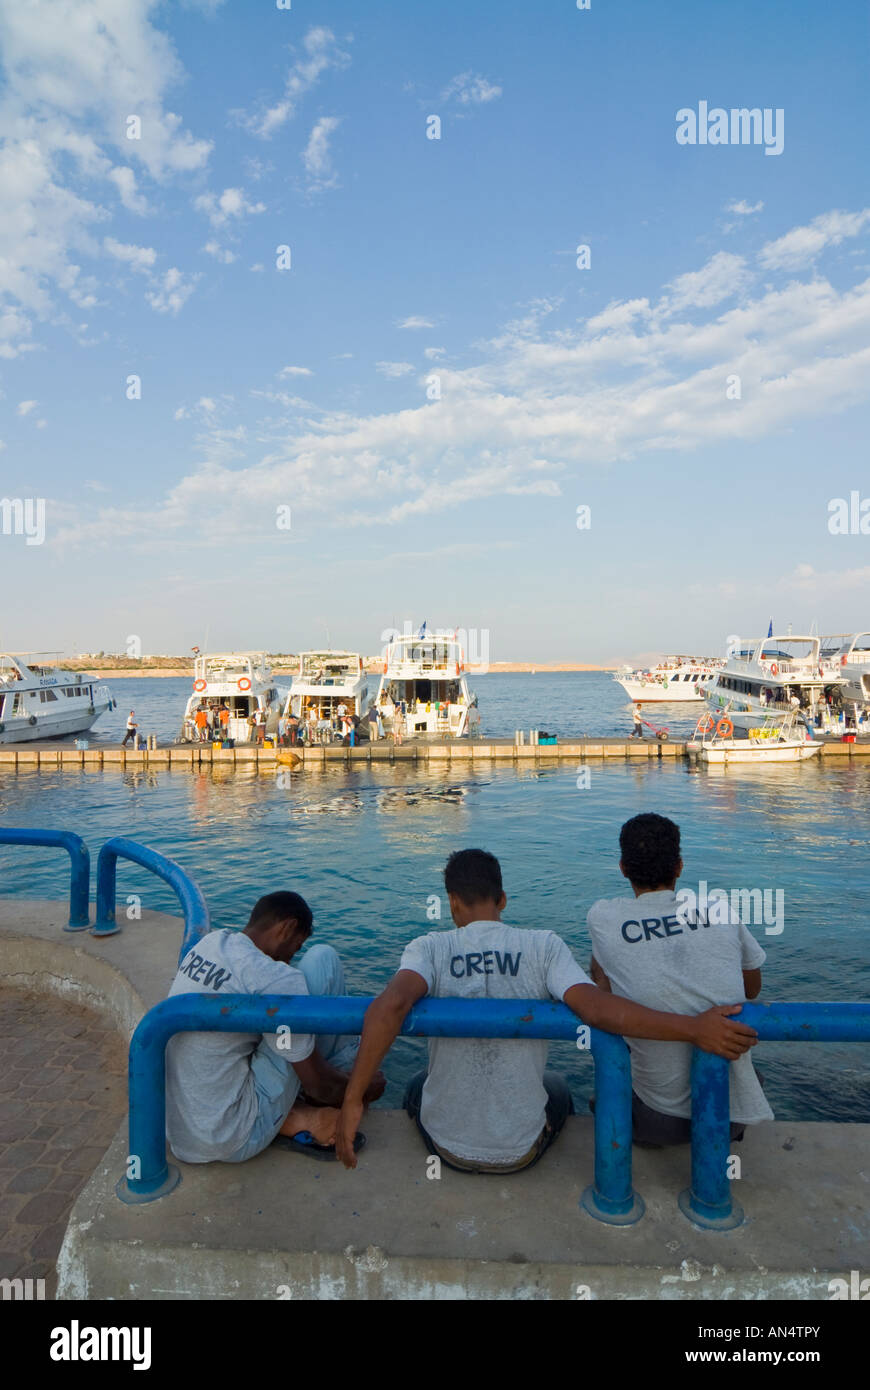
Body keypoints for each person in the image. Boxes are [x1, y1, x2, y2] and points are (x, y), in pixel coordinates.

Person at [335, 848, 757, 1173]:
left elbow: (390, 1005)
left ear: (452, 903)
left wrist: (352, 1099)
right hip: (522, 1153)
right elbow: (596, 1008)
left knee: (416, 1085)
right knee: (556, 1087)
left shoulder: (429, 947)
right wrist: (692, 1028)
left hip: (445, 1151)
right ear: (503, 899)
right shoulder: (544, 945)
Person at [586, 813, 772, 1146]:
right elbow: (752, 988)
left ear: (623, 868)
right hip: (731, 1113)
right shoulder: (720, 909)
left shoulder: (602, 917)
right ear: (680, 866)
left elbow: (602, 984)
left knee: (600, 1098)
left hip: (657, 1122)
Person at [165, 891, 385, 1164]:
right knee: (323, 960)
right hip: (234, 1137)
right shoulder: (275, 977)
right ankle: (322, 1102)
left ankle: (305, 1101)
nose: (291, 959)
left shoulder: (210, 943)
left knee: (285, 1025)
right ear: (287, 928)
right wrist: (360, 1088)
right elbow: (317, 1085)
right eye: (295, 947)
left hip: (182, 1136)